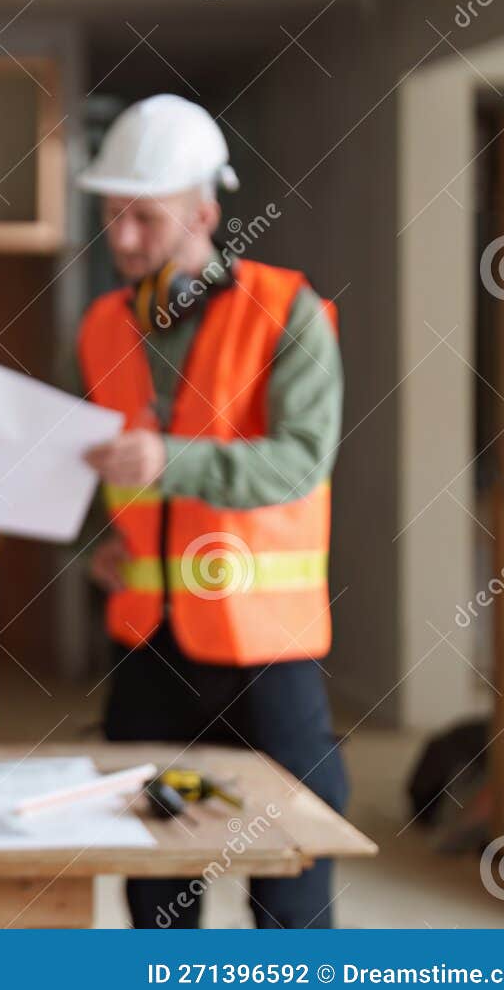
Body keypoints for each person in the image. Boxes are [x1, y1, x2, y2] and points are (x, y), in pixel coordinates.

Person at [75, 94, 348, 929]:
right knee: (153, 870)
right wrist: (98, 544)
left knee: (291, 861)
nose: (120, 239)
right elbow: (102, 468)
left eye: (143, 219)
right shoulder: (99, 326)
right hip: (148, 645)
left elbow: (303, 460)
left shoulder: (288, 312)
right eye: (111, 216)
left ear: (204, 212)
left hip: (263, 645)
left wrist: (173, 462)